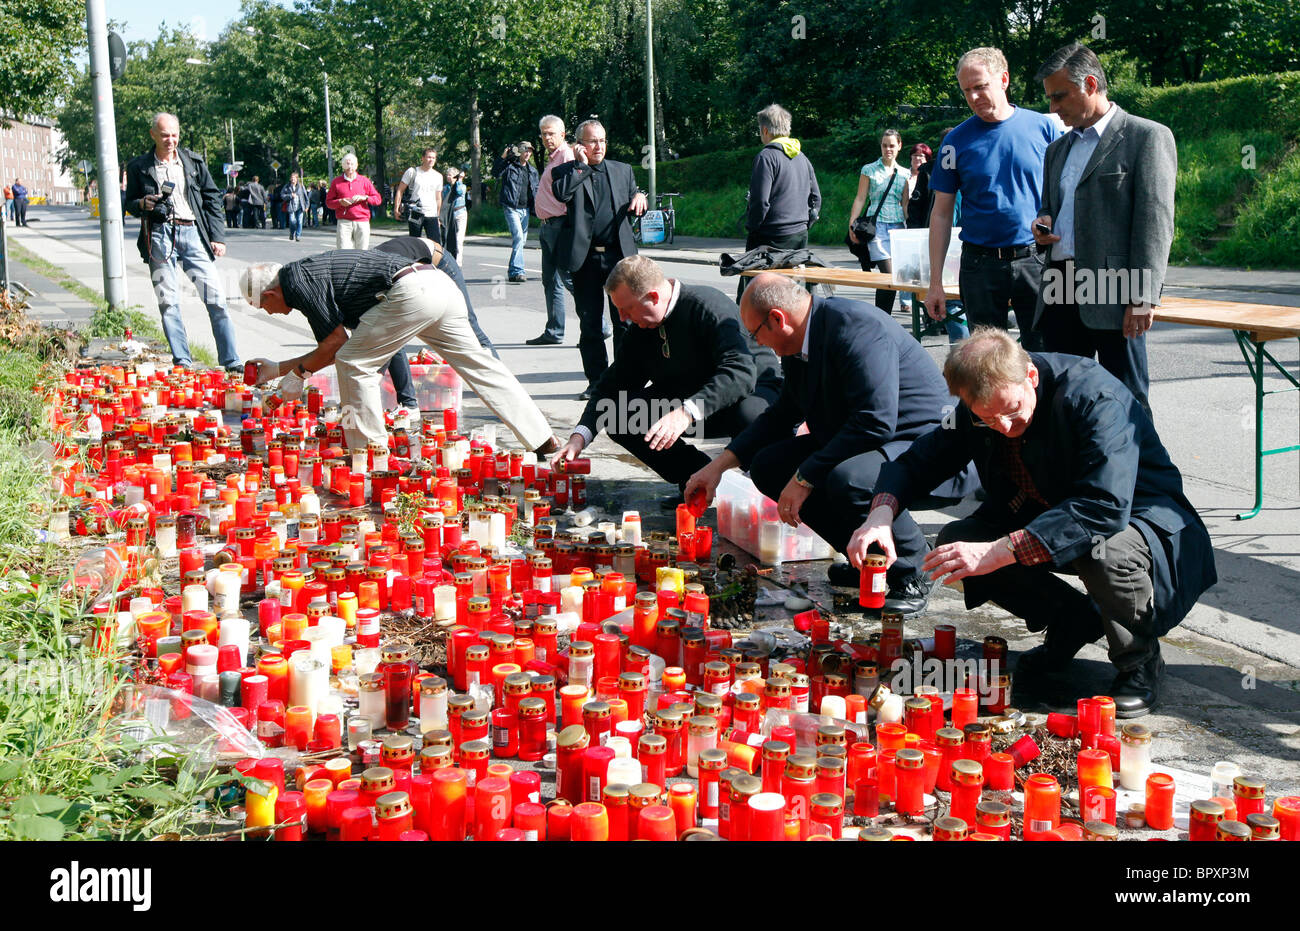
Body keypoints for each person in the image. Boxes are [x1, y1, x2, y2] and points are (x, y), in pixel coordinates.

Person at [847, 328, 1216, 717]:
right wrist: (880, 514)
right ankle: (1072, 620)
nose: (1004, 426)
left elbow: (1103, 506)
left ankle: (1139, 661)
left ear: (1031, 377)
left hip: (1136, 519)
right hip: (1048, 510)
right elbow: (918, 461)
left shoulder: (1095, 397)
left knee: (1100, 552)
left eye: (1012, 411)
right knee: (959, 543)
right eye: (988, 420)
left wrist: (999, 550)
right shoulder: (982, 407)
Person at [685, 273, 976, 615]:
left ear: (778, 319)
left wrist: (805, 477)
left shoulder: (855, 328)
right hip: (870, 440)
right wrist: (716, 467)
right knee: (769, 466)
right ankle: (867, 562)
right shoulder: (800, 340)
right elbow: (782, 414)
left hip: (925, 446)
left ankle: (912, 570)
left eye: (755, 333)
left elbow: (875, 420)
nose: (758, 343)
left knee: (847, 479)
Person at [239, 251, 560, 457]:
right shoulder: (304, 272)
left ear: (270, 292)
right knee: (480, 365)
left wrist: (295, 374)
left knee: (353, 363)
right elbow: (333, 344)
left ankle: (370, 458)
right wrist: (280, 370)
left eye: (263, 306)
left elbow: (336, 347)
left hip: (407, 293)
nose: (268, 313)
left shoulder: (296, 281)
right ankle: (543, 439)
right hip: (438, 286)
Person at [552, 256, 782, 505]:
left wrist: (686, 412)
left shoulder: (706, 306)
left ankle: (767, 494)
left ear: (653, 296)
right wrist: (579, 437)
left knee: (751, 415)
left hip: (747, 395)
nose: (622, 318)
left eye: (626, 309)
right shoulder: (642, 329)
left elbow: (739, 373)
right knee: (619, 417)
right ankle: (696, 478)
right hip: (691, 401)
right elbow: (613, 384)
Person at [1032, 43, 1175, 415]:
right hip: (1059, 284)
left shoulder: (1146, 137)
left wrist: (1143, 295)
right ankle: (1076, 473)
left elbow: (1155, 222)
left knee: (1127, 401)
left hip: (1114, 288)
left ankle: (1144, 475)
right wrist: (1043, 223)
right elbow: (1052, 208)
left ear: (1091, 84)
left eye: (1059, 96)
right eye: (1049, 98)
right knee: (1060, 398)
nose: (1053, 108)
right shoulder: (1057, 149)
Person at [925, 47, 1062, 350]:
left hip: (1035, 260)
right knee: (987, 360)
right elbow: (941, 213)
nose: (974, 97)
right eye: (966, 91)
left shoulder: (1047, 127)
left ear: (1004, 79)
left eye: (980, 87)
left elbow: (1069, 194)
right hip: (979, 264)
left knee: (1045, 352)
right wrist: (935, 283)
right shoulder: (955, 141)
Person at [123, 112, 240, 371]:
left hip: (193, 233)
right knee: (168, 302)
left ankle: (232, 361)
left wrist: (217, 237)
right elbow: (129, 202)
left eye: (174, 135)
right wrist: (142, 204)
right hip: (159, 235)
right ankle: (183, 361)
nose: (170, 140)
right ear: (153, 134)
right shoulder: (139, 166)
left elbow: (211, 198)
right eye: (165, 135)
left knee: (216, 300)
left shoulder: (193, 162)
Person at [551, 120, 648, 396]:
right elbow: (562, 194)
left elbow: (635, 196)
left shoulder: (622, 170)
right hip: (586, 260)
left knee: (625, 323)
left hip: (619, 258)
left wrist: (640, 197)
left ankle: (625, 382)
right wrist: (580, 166)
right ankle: (597, 383)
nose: (599, 146)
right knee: (591, 324)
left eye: (603, 141)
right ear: (579, 145)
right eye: (593, 141)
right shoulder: (566, 172)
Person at [741, 104, 822, 300]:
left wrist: (752, 226)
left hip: (770, 236)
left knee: (754, 294)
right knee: (792, 293)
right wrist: (805, 223)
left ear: (765, 130)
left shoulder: (766, 157)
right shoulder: (802, 157)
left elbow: (761, 202)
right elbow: (816, 198)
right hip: (799, 234)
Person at [373, 235, 498, 360]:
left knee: (469, 324)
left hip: (438, 260)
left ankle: (497, 375)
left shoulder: (371, 275)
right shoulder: (365, 271)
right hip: (415, 270)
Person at [846, 129, 911, 313]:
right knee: (888, 275)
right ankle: (882, 317)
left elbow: (905, 204)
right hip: (877, 228)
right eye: (884, 145)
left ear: (899, 146)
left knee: (892, 278)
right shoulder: (869, 169)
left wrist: (911, 228)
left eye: (891, 145)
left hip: (898, 228)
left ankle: (884, 318)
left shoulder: (904, 173)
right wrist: (853, 221)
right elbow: (860, 198)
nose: (887, 149)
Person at [527, 114, 576, 346]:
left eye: (551, 133)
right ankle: (554, 330)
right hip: (548, 226)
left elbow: (570, 192)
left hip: (559, 225)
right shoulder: (553, 157)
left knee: (568, 278)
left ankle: (599, 325)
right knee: (551, 280)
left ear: (562, 135)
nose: (547, 138)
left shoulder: (566, 155)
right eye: (544, 134)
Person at [495, 141, 539, 283]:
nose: (527, 153)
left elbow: (536, 190)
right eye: (525, 150)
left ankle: (513, 272)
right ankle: (518, 271)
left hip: (525, 209)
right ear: (519, 151)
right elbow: (495, 172)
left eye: (530, 151)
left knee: (522, 240)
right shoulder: (509, 166)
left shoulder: (532, 171)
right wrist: (503, 157)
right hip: (511, 207)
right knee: (519, 237)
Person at [327, 153, 382, 250]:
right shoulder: (336, 182)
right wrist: (340, 202)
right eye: (347, 164)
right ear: (343, 166)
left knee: (362, 253)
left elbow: (377, 199)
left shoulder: (364, 181)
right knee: (343, 252)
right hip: (344, 222)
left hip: (362, 222)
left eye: (352, 164)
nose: (350, 167)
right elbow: (329, 203)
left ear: (356, 166)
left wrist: (365, 198)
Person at [394, 147, 444, 242]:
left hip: (431, 214)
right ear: (422, 158)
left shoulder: (438, 176)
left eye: (433, 158)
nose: (431, 160)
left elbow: (438, 198)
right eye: (429, 157)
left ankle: (431, 257)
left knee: (435, 244)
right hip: (415, 212)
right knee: (414, 243)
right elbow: (400, 190)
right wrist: (396, 208)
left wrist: (438, 216)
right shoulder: (412, 172)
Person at [440, 167, 467, 261]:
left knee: (459, 239)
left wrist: (459, 180)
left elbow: (459, 192)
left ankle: (458, 262)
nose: (448, 177)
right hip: (449, 215)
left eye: (450, 175)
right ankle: (447, 259)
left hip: (460, 213)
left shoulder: (461, 186)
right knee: (448, 238)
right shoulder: (445, 188)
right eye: (447, 175)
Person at [281, 172, 309, 241]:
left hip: (300, 207)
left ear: (297, 179)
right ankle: (292, 233)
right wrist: (290, 196)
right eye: (291, 178)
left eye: (294, 178)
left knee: (299, 222)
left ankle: (298, 235)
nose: (292, 179)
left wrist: (307, 206)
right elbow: (282, 195)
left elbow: (306, 197)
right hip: (291, 206)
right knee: (292, 221)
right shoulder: (287, 186)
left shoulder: (301, 186)